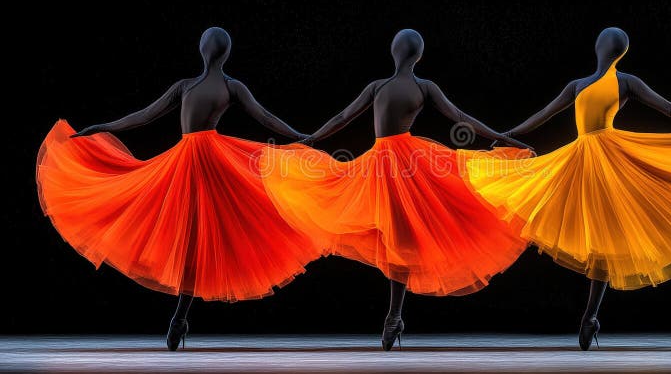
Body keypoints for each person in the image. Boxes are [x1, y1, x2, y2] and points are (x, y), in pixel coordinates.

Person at [465, 27, 671, 350]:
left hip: (610, 158)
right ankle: (589, 316)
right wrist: (508, 134)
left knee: (606, 238)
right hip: (579, 159)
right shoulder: (576, 86)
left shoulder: (626, 82)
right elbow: (544, 114)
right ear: (599, 46)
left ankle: (590, 315)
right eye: (606, 39)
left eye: (611, 41)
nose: (605, 43)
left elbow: (669, 108)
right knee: (576, 226)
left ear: (615, 50)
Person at [36, 27, 326, 351]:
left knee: (195, 238)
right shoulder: (216, 86)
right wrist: (301, 136)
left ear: (204, 51)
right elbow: (264, 118)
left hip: (204, 162)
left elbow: (146, 116)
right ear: (223, 53)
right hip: (196, 162)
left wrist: (300, 136)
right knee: (197, 238)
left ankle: (180, 316)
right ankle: (180, 316)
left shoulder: (203, 86)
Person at [258, 29, 533, 350]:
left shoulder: (384, 86)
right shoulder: (417, 86)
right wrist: (502, 137)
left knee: (398, 235)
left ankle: (394, 315)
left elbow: (344, 117)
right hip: (398, 163)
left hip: (395, 163)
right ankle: (394, 315)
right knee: (399, 236)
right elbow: (459, 117)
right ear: (418, 56)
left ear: (395, 52)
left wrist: (311, 138)